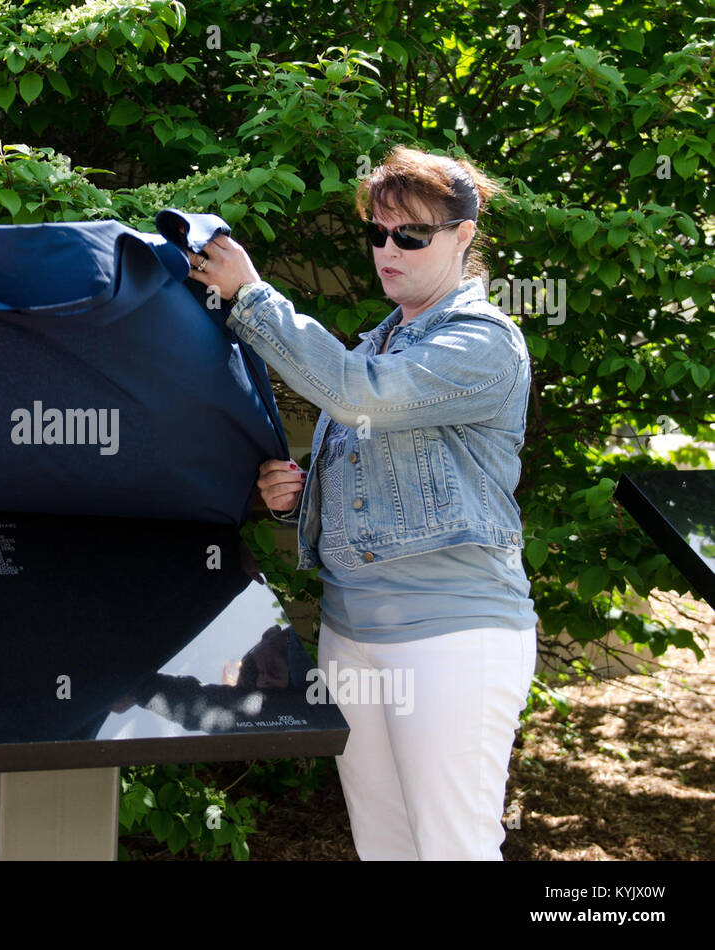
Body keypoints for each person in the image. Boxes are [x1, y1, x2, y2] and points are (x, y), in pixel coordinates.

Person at [187, 146, 537, 859]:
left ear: (463, 235)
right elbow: (386, 477)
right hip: (353, 635)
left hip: (452, 636)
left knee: (454, 849)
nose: (388, 250)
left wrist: (252, 295)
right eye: (378, 233)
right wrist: (298, 495)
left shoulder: (484, 342)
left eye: (410, 235)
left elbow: (359, 394)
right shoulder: (383, 341)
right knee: (384, 850)